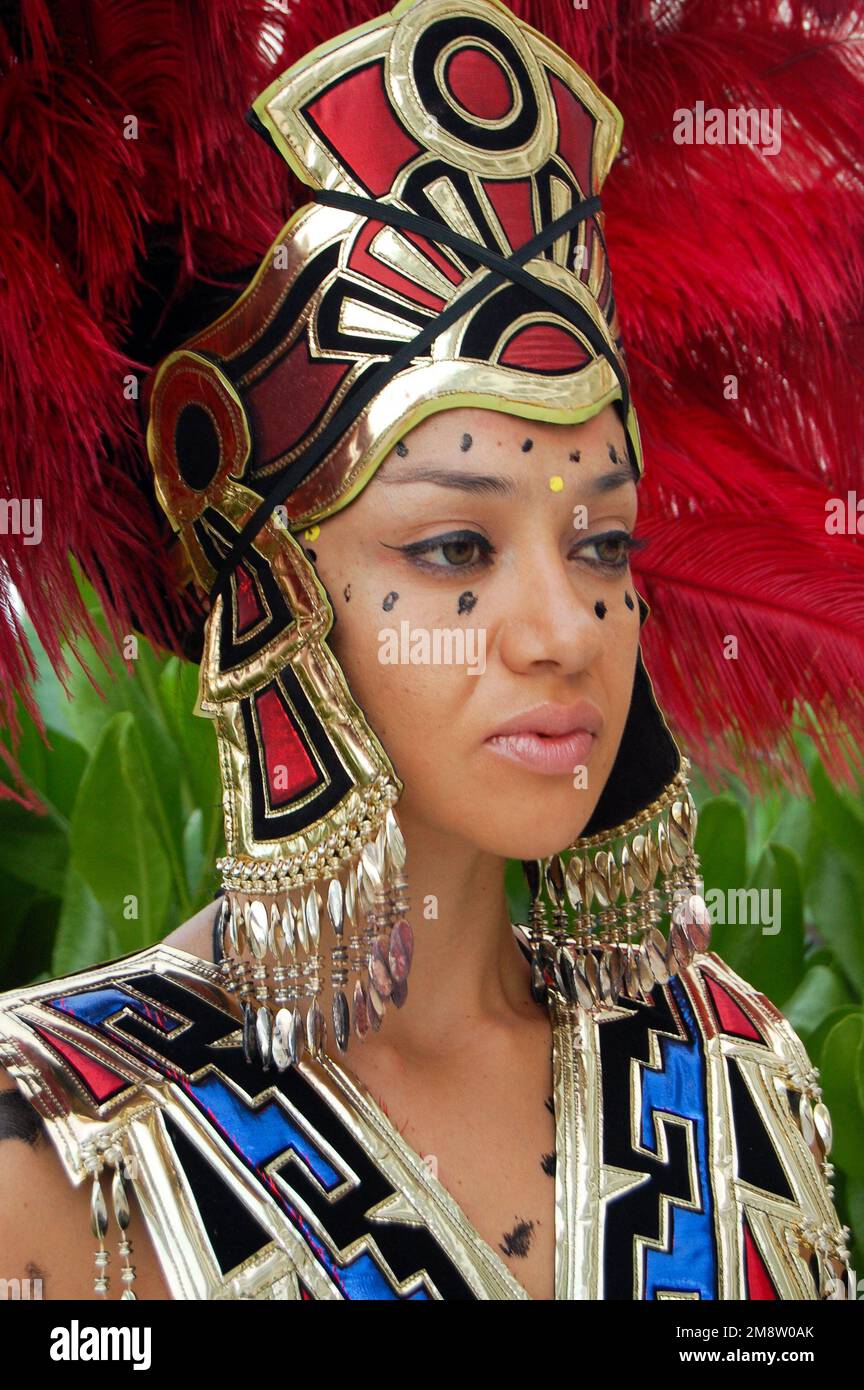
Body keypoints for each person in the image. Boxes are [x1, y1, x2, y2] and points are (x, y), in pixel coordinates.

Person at [0, 0, 857, 1301]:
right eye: (455, 549)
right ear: (269, 570)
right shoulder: (68, 1147)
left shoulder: (727, 1064)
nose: (566, 630)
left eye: (603, 544)